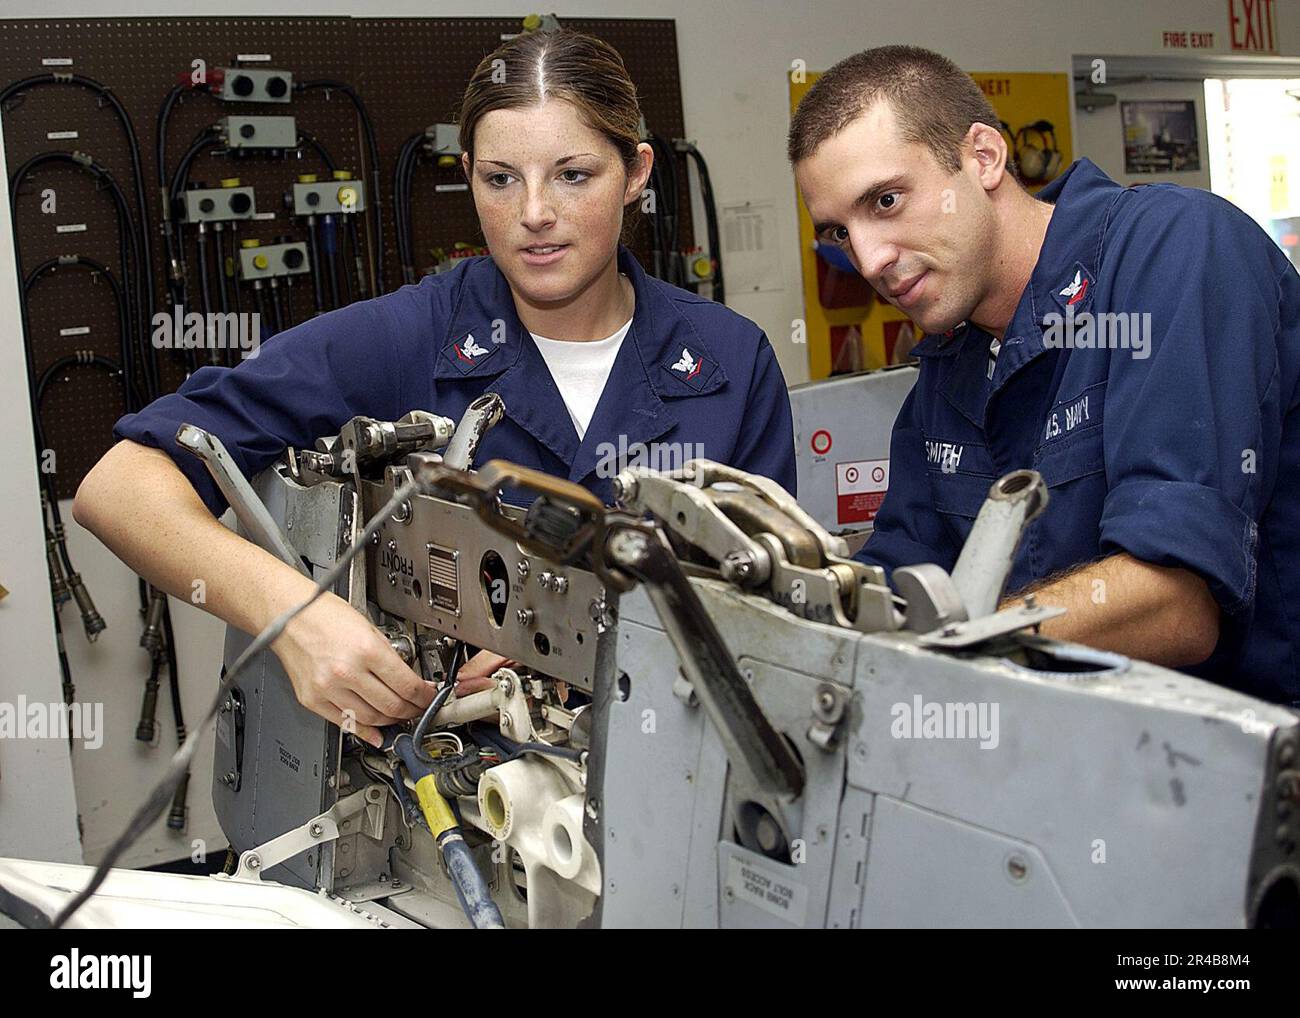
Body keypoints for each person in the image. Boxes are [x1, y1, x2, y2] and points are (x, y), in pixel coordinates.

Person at [74, 30, 795, 746]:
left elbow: (773, 622)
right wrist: (294, 615)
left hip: (679, 773)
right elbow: (121, 489)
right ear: (468, 175)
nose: (534, 212)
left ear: (635, 172)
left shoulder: (729, 360)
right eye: (500, 178)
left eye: (573, 175)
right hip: (462, 804)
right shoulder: (403, 339)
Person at [789, 45, 1300, 705]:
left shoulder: (1175, 249)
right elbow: (899, 577)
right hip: (1078, 761)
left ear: (984, 157)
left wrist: (938, 654)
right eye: (838, 232)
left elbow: (1174, 604)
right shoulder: (949, 364)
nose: (869, 258)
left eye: (885, 200)